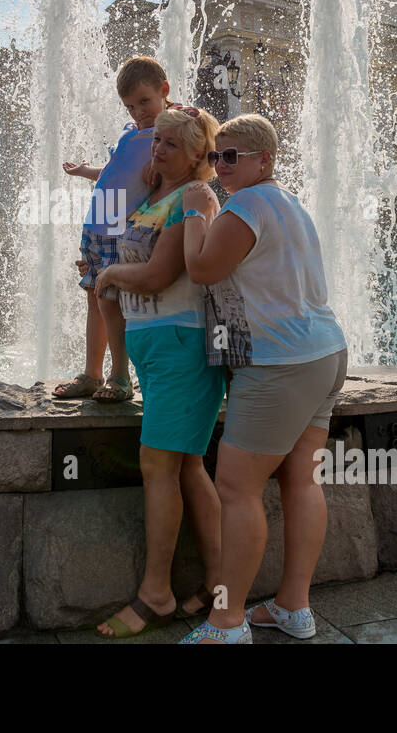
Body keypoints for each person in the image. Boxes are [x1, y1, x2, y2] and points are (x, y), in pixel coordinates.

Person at [177, 114, 349, 645]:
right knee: (301, 480)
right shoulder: (290, 202)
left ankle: (227, 623)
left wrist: (194, 214)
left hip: (278, 365)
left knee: (235, 488)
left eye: (232, 157)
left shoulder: (247, 204)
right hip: (325, 353)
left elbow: (203, 268)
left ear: (263, 159)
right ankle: (293, 608)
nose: (221, 166)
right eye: (216, 156)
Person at [88, 106, 225, 638]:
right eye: (156, 142)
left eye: (170, 143)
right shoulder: (156, 197)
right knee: (187, 467)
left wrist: (111, 273)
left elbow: (160, 274)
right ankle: (218, 585)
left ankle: (156, 595)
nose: (158, 150)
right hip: (156, 348)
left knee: (159, 465)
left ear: (198, 154)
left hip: (181, 345)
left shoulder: (196, 197)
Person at [55, 56, 177, 403]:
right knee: (95, 299)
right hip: (96, 226)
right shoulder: (130, 132)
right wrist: (85, 171)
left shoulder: (167, 129)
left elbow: (195, 141)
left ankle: (120, 375)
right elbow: (113, 171)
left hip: (120, 227)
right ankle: (92, 373)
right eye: (129, 106)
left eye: (144, 102)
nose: (138, 112)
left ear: (164, 91)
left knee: (112, 301)